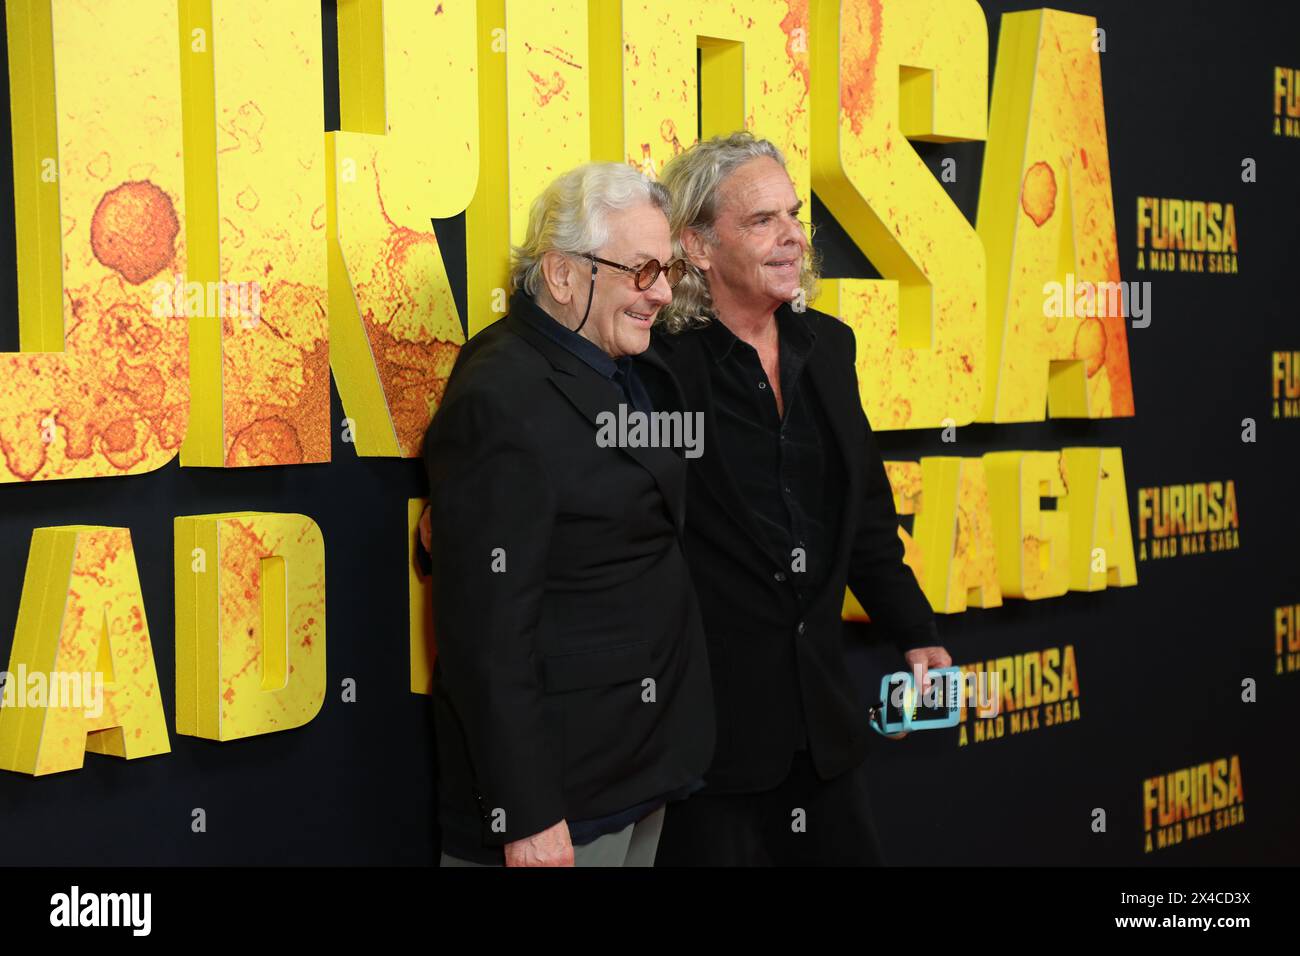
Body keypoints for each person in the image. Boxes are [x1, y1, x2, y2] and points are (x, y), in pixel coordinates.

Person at [639, 131, 952, 866]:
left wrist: (915, 629)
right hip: (706, 744)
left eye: (793, 215)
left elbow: (866, 515)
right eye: (762, 222)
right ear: (699, 246)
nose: (792, 239)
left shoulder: (828, 348)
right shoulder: (659, 367)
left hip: (824, 725)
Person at [417, 162, 712, 867]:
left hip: (641, 764)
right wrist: (527, 813)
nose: (663, 294)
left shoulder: (626, 362)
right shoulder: (501, 394)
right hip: (561, 800)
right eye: (642, 272)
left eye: (666, 270)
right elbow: (485, 631)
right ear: (561, 274)